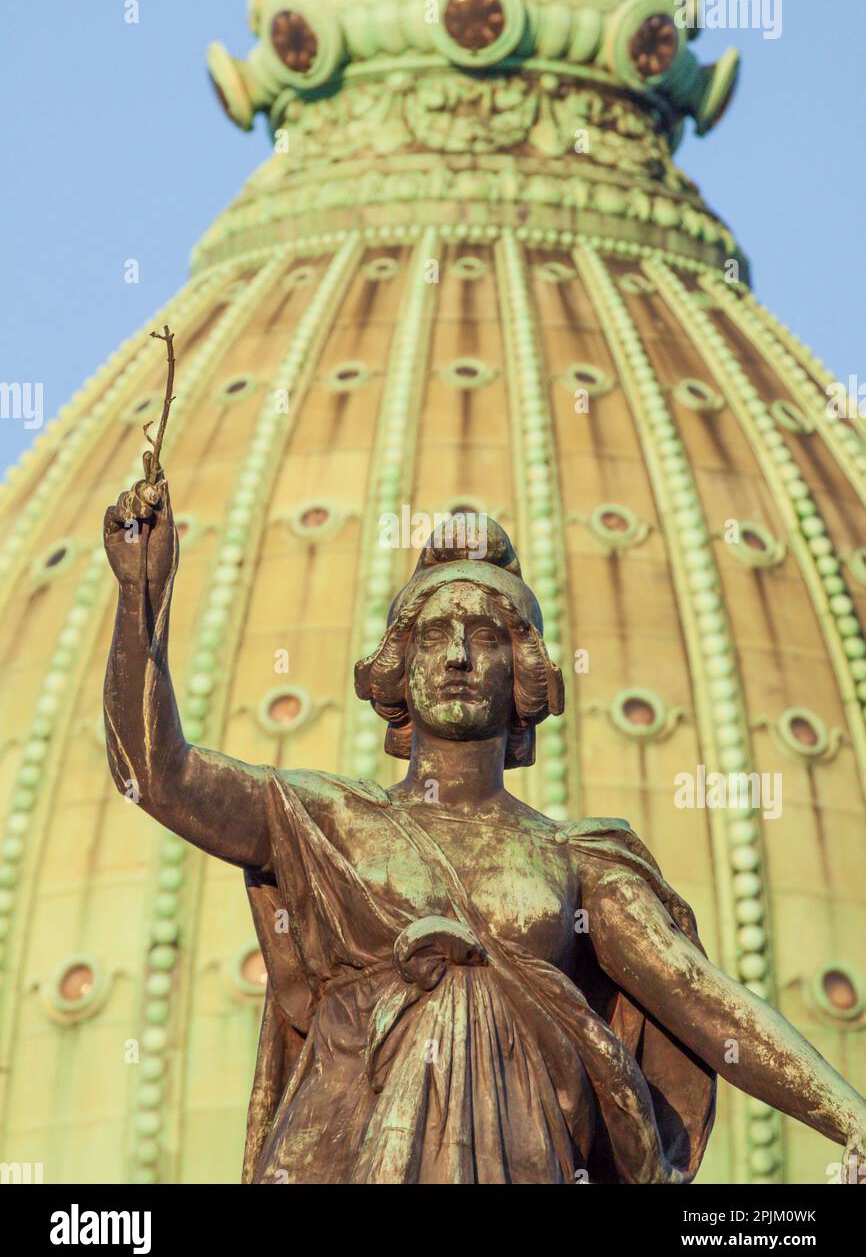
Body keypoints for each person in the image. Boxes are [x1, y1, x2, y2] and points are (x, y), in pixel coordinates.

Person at [103, 474, 866, 1184]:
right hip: (344, 1148)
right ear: (400, 666)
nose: (460, 655)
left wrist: (850, 1117)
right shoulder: (325, 820)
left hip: (520, 1151)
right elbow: (155, 773)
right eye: (434, 634)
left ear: (524, 671)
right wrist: (141, 598)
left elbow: (699, 997)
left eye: (487, 635)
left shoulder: (573, 863)